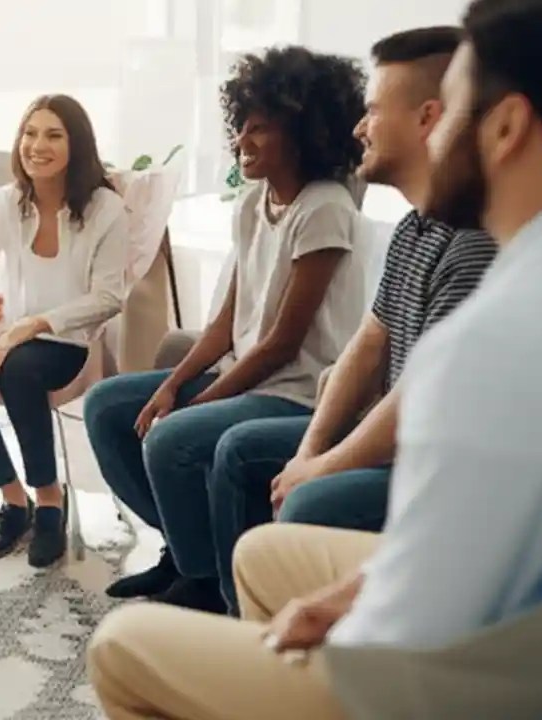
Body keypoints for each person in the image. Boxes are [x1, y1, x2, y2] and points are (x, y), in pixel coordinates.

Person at [87, 0, 542, 717]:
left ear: (505, 126)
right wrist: (342, 595)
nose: (435, 128)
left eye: (452, 104)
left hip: (490, 686)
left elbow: (407, 638)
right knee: (263, 556)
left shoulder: (498, 336)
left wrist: (340, 620)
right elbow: (475, 541)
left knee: (122, 649)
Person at [204, 26, 499, 615]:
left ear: (426, 118)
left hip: (429, 465)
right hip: (385, 440)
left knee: (311, 503)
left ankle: (289, 646)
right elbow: (367, 346)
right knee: (241, 453)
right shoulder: (415, 229)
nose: (359, 128)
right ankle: (236, 613)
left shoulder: (474, 244)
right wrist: (308, 454)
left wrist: (320, 469)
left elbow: (416, 397)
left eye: (371, 111)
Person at [84, 46, 369, 613]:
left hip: (299, 395)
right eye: (242, 126)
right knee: (107, 406)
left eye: (260, 128)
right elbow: (225, 324)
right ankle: (186, 554)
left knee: (173, 437)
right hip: (250, 380)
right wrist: (172, 384)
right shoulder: (252, 203)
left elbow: (280, 344)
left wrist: (197, 403)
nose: (242, 140)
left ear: (303, 131)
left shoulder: (326, 209)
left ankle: (209, 585)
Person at [0, 94, 129, 567]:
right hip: (13, 340)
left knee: (20, 368)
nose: (37, 145)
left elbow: (108, 297)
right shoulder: (6, 203)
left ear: (76, 145)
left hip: (68, 345)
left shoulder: (106, 210)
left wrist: (32, 324)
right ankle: (13, 499)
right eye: (30, 133)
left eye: (53, 135)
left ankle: (49, 504)